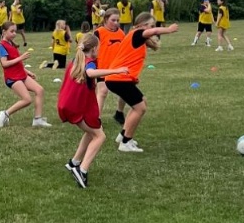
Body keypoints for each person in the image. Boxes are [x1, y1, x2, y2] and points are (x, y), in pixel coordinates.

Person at [59, 33, 131, 188]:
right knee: (100, 136)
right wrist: (115, 71)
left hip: (69, 104)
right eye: (98, 48)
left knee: (92, 131)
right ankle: (82, 170)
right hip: (76, 106)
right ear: (92, 49)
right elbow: (90, 73)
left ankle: (74, 163)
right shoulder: (89, 62)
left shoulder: (76, 60)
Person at [104, 11, 179, 153]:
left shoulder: (137, 37)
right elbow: (155, 31)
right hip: (118, 79)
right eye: (150, 25)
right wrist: (168, 30)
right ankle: (126, 142)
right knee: (140, 108)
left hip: (119, 78)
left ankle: (122, 136)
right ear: (142, 25)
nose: (152, 28)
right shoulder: (137, 33)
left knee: (142, 102)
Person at [0, 22, 51, 128]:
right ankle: (4, 113)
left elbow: (17, 63)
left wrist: (27, 72)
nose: (14, 34)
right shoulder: (2, 46)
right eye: (11, 31)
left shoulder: (11, 44)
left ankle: (37, 119)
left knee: (39, 90)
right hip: (12, 78)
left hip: (21, 75)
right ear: (4, 32)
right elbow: (5, 63)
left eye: (15, 31)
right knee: (27, 99)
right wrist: (20, 58)